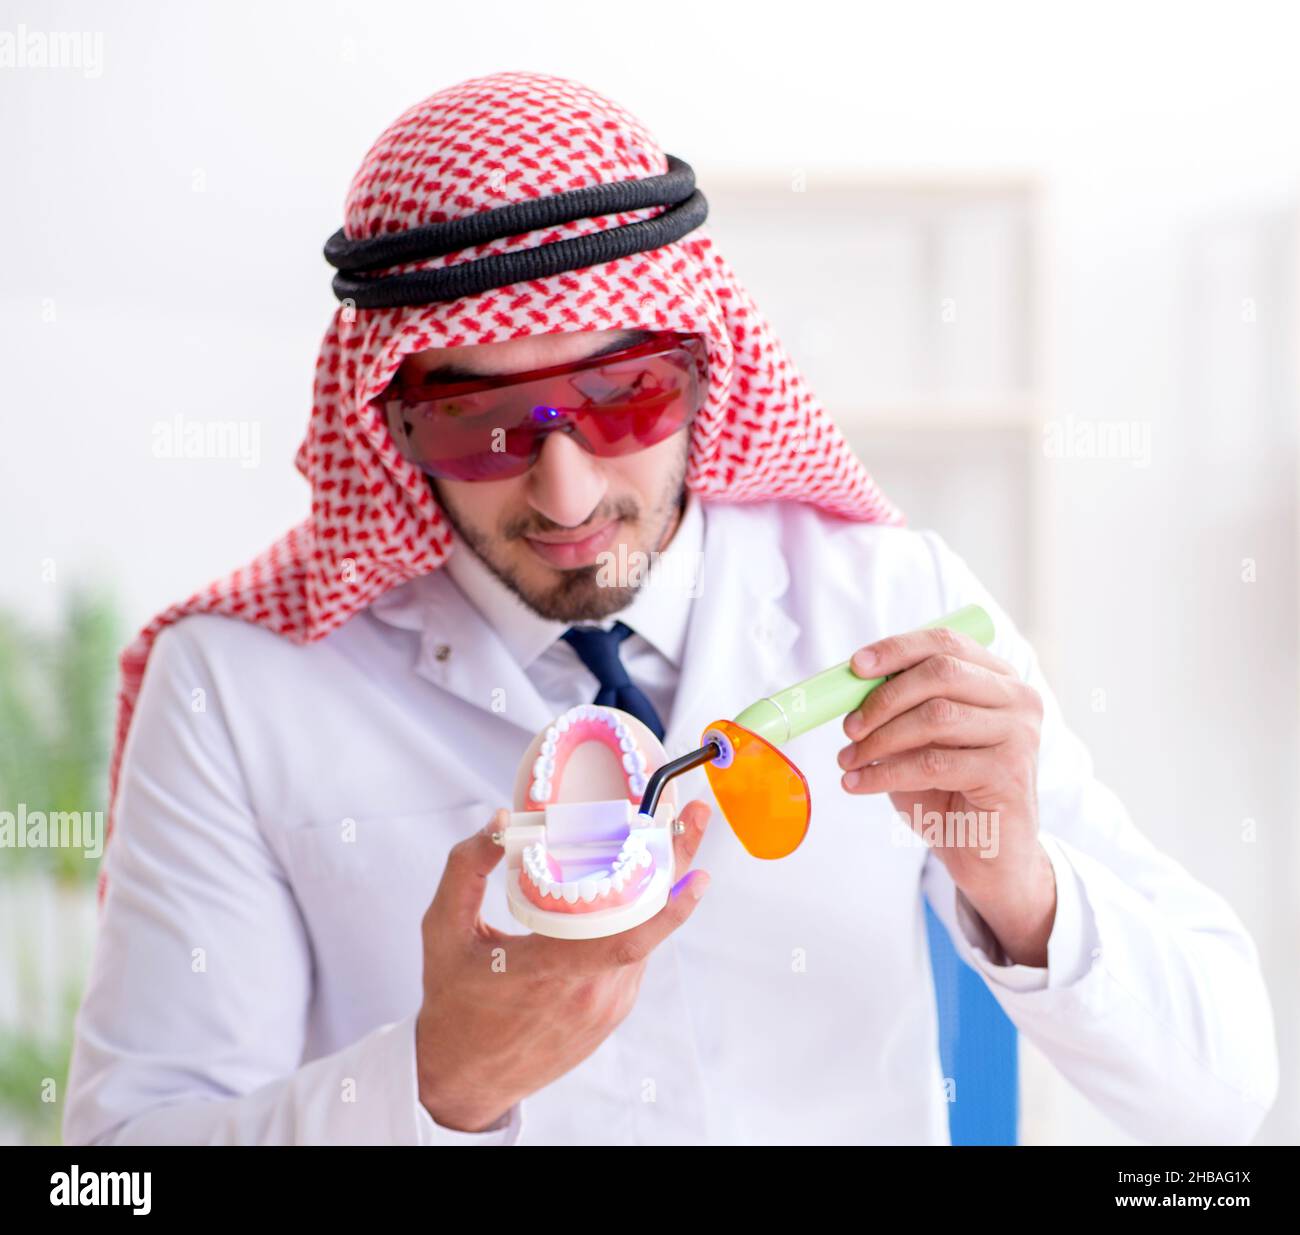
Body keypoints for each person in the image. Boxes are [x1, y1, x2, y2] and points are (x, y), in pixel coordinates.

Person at [63, 71, 1278, 1146]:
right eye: (487, 424)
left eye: (624, 397)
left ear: (706, 367)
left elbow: (1222, 1097)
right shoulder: (241, 688)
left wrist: (1019, 877)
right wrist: (434, 1086)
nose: (567, 488)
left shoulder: (893, 604)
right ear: (392, 420)